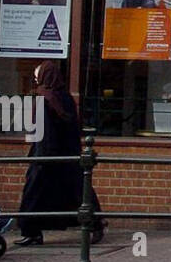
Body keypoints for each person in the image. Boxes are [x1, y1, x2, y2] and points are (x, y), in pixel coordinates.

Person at [15, 61, 104, 246]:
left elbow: (43, 131)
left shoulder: (44, 98)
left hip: (47, 154)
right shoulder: (66, 98)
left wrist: (41, 155)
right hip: (68, 154)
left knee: (34, 193)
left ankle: (32, 232)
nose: (35, 80)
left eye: (37, 76)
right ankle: (95, 223)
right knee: (78, 191)